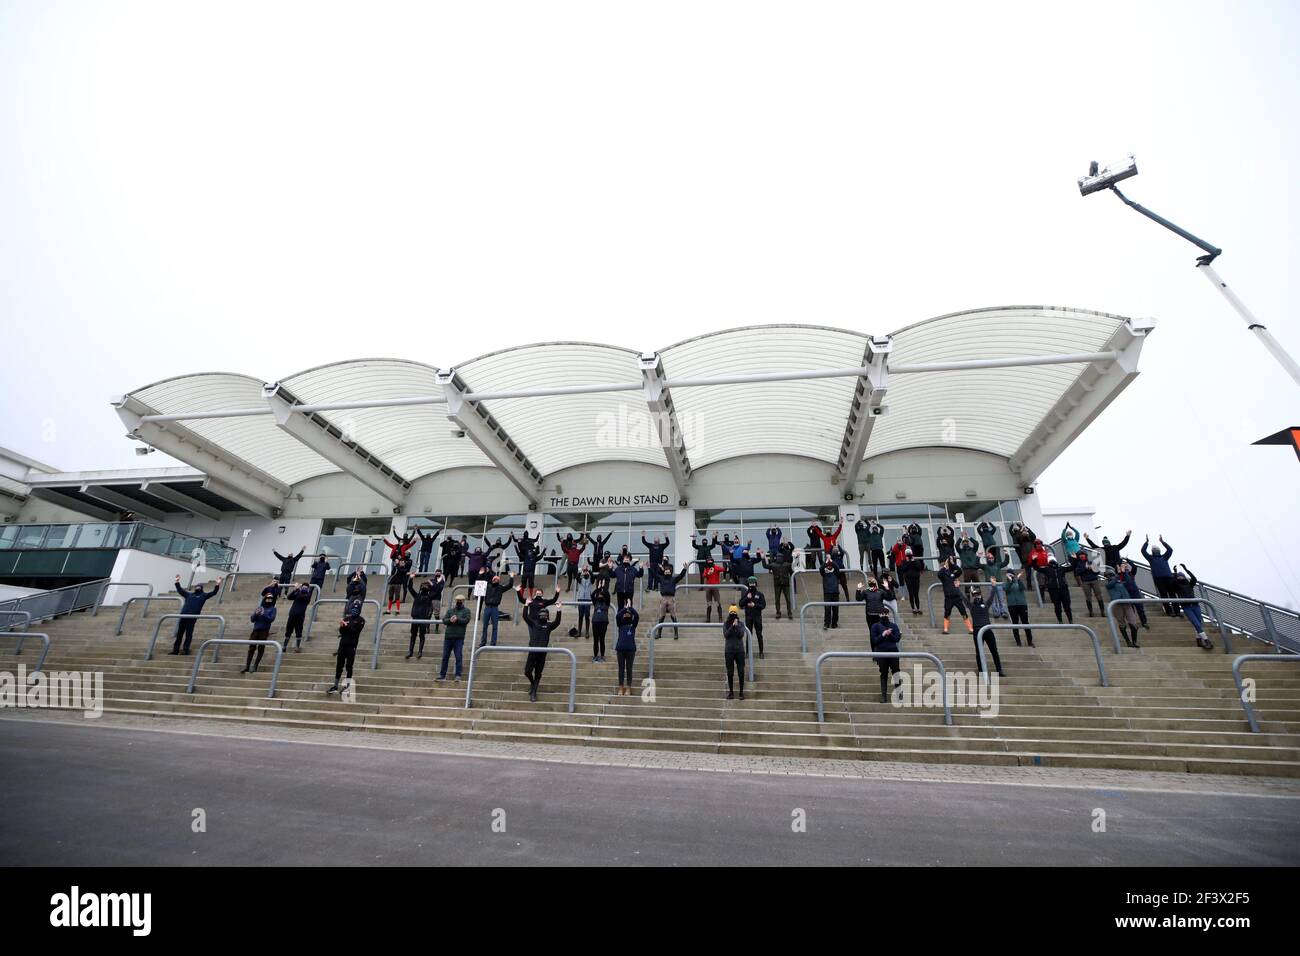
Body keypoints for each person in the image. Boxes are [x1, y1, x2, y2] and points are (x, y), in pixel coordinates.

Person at [169, 575, 223, 655]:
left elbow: (214, 593)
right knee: (179, 634)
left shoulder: (203, 595)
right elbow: (180, 590)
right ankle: (175, 650)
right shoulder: (189, 595)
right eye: (197, 586)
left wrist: (217, 584)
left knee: (188, 634)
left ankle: (185, 650)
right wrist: (177, 581)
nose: (197, 587)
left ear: (201, 588)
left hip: (192, 617)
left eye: (199, 586)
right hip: (184, 616)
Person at [522, 599, 563, 702]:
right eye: (542, 614)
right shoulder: (534, 623)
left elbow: (557, 622)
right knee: (527, 672)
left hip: (542, 653)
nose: (543, 616)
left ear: (547, 616)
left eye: (545, 615)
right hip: (532, 651)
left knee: (538, 673)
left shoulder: (548, 626)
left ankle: (534, 693)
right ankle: (532, 684)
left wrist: (559, 610)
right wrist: (526, 605)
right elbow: (525, 617)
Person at [327, 602, 366, 694]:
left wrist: (347, 626)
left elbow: (356, 632)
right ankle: (335, 685)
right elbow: (342, 631)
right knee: (339, 665)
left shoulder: (361, 620)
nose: (354, 611)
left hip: (351, 646)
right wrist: (342, 626)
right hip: (342, 645)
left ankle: (347, 686)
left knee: (349, 666)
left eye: (356, 609)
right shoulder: (347, 618)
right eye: (353, 609)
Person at [1173, 565, 1213, 649]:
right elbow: (1174, 582)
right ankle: (1206, 640)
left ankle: (1198, 640)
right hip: (1187, 607)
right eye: (1179, 577)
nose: (1180, 577)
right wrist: (1175, 573)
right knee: (1197, 624)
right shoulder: (1177, 586)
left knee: (1199, 624)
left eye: (1181, 576)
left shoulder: (1189, 584)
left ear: (1184, 577)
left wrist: (1186, 569)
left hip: (1195, 606)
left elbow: (1194, 578)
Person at [870, 607, 903, 703]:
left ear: (888, 614)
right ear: (879, 615)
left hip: (893, 652)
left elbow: (897, 639)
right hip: (881, 653)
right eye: (882, 613)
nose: (884, 615)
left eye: (886, 613)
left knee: (896, 672)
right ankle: (883, 697)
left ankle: (899, 695)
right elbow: (874, 640)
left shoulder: (893, 625)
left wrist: (889, 634)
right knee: (883, 673)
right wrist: (883, 634)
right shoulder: (875, 626)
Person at [969, 587, 1004, 677]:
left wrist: (994, 586)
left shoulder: (985, 604)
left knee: (994, 650)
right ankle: (981, 671)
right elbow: (963, 599)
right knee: (979, 652)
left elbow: (991, 597)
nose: (977, 596)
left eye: (978, 594)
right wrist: (957, 588)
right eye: (975, 595)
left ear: (981, 595)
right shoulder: (971, 605)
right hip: (977, 631)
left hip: (987, 630)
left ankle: (999, 669)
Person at [436, 595, 471, 682]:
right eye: (457, 600)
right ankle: (442, 675)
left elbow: (466, 620)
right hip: (448, 637)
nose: (459, 602)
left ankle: (458, 675)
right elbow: (444, 620)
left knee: (458, 656)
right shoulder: (450, 611)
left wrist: (457, 619)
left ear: (463, 601)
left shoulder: (466, 611)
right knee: (445, 656)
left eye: (460, 600)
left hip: (459, 637)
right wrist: (450, 620)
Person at [1141, 536, 1178, 616]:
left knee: (1173, 595)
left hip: (1169, 578)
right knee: (1164, 596)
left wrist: (1162, 542)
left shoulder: (1164, 557)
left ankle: (1177, 611)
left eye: (1157, 549)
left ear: (1159, 551)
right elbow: (1143, 551)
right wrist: (1146, 542)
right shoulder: (1150, 558)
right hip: (1159, 579)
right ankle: (1169, 611)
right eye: (1154, 550)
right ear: (1152, 551)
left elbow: (1170, 550)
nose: (1156, 550)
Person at [242, 592, 278, 673]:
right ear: (265, 599)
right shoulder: (260, 607)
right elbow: (252, 619)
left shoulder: (273, 609)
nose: (269, 600)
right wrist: (256, 614)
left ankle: (255, 666)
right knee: (251, 648)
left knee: (261, 648)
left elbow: (271, 619)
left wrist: (263, 614)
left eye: (270, 599)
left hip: (264, 631)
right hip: (255, 630)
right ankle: (247, 666)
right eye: (267, 598)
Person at [1105, 570, 1141, 648]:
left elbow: (1129, 582)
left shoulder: (1121, 583)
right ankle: (1128, 641)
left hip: (1127, 604)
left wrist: (1124, 573)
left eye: (1111, 575)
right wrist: (1116, 577)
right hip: (1117, 605)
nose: (1110, 577)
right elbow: (1110, 585)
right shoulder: (1108, 584)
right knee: (1122, 624)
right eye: (1108, 576)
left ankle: (1134, 641)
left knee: (1133, 623)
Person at [479, 571, 515, 647]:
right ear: (492, 580)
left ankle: (493, 643)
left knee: (495, 627)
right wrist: (480, 574)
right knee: (485, 626)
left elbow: (510, 585)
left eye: (497, 580)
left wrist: (511, 577)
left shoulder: (500, 588)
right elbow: (480, 582)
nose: (496, 580)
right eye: (494, 579)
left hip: (495, 608)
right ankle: (483, 642)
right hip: (487, 607)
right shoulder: (487, 586)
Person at [405, 576, 437, 659]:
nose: (424, 587)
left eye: (426, 586)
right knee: (413, 635)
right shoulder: (417, 595)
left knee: (422, 636)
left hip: (423, 619)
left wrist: (432, 584)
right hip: (415, 618)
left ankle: (420, 652)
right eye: (423, 586)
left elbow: (437, 591)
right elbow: (410, 588)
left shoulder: (429, 597)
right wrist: (411, 579)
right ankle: (410, 651)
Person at [936, 556, 970, 633]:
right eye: (948, 561)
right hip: (948, 597)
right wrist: (945, 566)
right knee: (947, 613)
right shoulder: (943, 573)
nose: (948, 562)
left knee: (963, 612)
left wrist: (953, 563)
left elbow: (960, 571)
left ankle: (970, 628)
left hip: (957, 597)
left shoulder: (953, 573)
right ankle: (945, 629)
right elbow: (939, 574)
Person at [1071, 550, 1108, 617]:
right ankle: (1091, 612)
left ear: (1086, 555)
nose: (1082, 556)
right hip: (1085, 582)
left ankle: (1102, 612)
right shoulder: (1078, 564)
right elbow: (1077, 572)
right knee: (1088, 597)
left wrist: (1092, 568)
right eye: (1080, 555)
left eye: (1083, 554)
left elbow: (1097, 572)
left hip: (1094, 580)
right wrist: (1086, 568)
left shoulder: (1091, 562)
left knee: (1099, 596)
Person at [1116, 560, 1150, 630]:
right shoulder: (1119, 574)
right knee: (1131, 610)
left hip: (1135, 593)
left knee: (1140, 609)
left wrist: (1128, 561)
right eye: (1122, 565)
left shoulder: (1131, 573)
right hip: (1127, 594)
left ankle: (1144, 623)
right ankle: (1133, 624)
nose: (1124, 566)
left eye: (1125, 565)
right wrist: (1119, 565)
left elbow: (1134, 567)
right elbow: (1117, 571)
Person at [657, 561, 688, 639]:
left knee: (673, 616)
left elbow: (680, 576)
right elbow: (654, 575)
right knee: (661, 616)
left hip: (671, 599)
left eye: (668, 572)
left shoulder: (673, 579)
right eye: (666, 571)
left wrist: (684, 569)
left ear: (671, 572)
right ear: (664, 572)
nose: (667, 573)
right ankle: (659, 633)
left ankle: (676, 634)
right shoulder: (661, 578)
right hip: (663, 599)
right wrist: (649, 568)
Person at [614, 602, 640, 695]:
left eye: (628, 613)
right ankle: (621, 687)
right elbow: (618, 616)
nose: (626, 614)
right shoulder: (620, 624)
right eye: (625, 613)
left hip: (631, 650)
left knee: (629, 669)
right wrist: (625, 608)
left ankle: (628, 688)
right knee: (621, 669)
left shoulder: (633, 625)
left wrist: (630, 607)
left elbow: (637, 616)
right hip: (620, 649)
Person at [1040, 555, 1074, 624]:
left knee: (1067, 606)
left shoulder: (1061, 568)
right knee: (1057, 606)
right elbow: (1036, 568)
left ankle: (1070, 620)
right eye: (1051, 562)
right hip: (1053, 590)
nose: (1052, 563)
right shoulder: (1047, 569)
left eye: (1053, 562)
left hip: (1063, 589)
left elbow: (1072, 567)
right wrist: (1034, 560)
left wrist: (1073, 559)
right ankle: (1060, 620)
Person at [739, 576, 767, 658]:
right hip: (749, 617)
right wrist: (747, 599)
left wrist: (755, 605)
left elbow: (763, 605)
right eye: (750, 583)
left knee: (759, 634)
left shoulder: (760, 594)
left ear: (756, 584)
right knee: (748, 634)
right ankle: (747, 652)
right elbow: (740, 604)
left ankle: (761, 652)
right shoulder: (746, 594)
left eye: (753, 583)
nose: (752, 585)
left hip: (757, 617)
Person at [723, 606, 747, 700]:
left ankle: (741, 692)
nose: (733, 614)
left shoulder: (741, 624)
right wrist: (732, 626)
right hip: (729, 651)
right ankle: (731, 692)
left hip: (739, 651)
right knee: (730, 672)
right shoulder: (726, 624)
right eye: (731, 612)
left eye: (734, 612)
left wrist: (736, 626)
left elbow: (741, 634)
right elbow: (726, 635)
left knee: (741, 672)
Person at [1004, 570, 1033, 647]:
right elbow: (1006, 589)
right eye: (1008, 575)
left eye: (1011, 575)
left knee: (1025, 623)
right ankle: (1018, 642)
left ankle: (1030, 641)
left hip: (1022, 605)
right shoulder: (1006, 584)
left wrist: (1019, 579)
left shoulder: (1018, 582)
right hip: (1012, 606)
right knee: (1015, 623)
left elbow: (1022, 588)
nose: (1010, 576)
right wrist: (1010, 581)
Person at [762, 547, 793, 619]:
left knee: (778, 599)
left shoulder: (774, 565)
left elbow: (765, 566)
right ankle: (788, 613)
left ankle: (779, 613)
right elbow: (792, 573)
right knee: (787, 599)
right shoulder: (786, 564)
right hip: (783, 583)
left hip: (779, 584)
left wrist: (763, 558)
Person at [282, 580, 313, 652]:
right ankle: (284, 646)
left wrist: (298, 589)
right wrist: (294, 590)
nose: (304, 588)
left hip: (300, 616)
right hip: (292, 615)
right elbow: (289, 597)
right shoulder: (297, 592)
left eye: (306, 588)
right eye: (303, 587)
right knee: (288, 631)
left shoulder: (308, 595)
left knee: (298, 631)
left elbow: (301, 597)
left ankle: (297, 647)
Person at [984, 548, 1010, 618]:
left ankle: (1003, 612)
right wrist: (978, 556)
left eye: (992, 558)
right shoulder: (985, 566)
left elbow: (1006, 562)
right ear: (987, 559)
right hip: (990, 584)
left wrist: (1006, 554)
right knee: (993, 599)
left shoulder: (998, 564)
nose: (991, 559)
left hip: (998, 584)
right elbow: (977, 564)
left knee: (1001, 599)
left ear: (994, 558)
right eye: (989, 558)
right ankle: (996, 612)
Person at [591, 578, 611, 663]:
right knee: (595, 640)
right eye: (599, 595)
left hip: (603, 622)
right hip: (595, 622)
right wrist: (598, 588)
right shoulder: (595, 602)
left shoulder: (606, 603)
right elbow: (592, 595)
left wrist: (604, 587)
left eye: (601, 595)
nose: (600, 596)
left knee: (602, 639)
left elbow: (608, 595)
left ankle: (602, 656)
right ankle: (595, 656)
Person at [900, 549, 924, 615]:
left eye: (909, 554)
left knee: (916, 594)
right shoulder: (904, 561)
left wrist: (913, 561)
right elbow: (903, 569)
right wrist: (907, 562)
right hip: (908, 579)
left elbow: (919, 567)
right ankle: (913, 608)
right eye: (907, 554)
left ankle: (918, 608)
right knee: (911, 594)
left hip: (916, 579)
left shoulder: (916, 560)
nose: (909, 556)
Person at [820, 559, 841, 630]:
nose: (829, 566)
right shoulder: (824, 573)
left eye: (830, 565)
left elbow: (837, 567)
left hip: (835, 593)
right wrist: (826, 562)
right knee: (827, 609)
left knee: (835, 609)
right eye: (828, 566)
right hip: (827, 593)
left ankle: (834, 623)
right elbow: (821, 568)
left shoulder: (836, 572)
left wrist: (831, 561)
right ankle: (827, 623)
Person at [574, 567, 594, 637]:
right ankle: (579, 632)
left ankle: (587, 632)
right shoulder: (581, 580)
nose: (585, 572)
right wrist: (581, 571)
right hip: (581, 599)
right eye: (584, 571)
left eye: (586, 571)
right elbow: (577, 578)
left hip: (588, 599)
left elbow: (593, 578)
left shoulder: (590, 580)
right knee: (580, 616)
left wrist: (589, 571)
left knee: (587, 616)